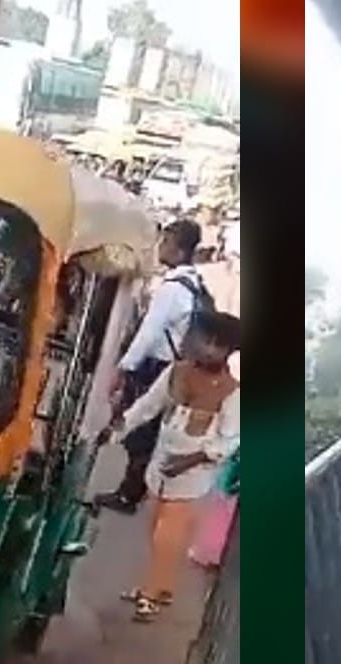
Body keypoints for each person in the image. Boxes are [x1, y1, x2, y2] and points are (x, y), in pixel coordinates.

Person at [110, 311, 242, 622]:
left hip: (194, 473)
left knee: (166, 534)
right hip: (162, 462)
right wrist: (119, 427)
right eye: (204, 340)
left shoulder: (233, 393)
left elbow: (228, 441)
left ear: (230, 351)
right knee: (155, 526)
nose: (208, 349)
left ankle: (149, 596)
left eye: (217, 345)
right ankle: (163, 586)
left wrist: (189, 462)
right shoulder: (176, 372)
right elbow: (148, 406)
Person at [94, 219, 211, 514]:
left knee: (141, 430)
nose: (161, 247)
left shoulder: (172, 289)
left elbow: (150, 332)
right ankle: (134, 490)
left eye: (166, 242)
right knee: (150, 429)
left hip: (156, 367)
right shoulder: (194, 284)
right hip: (173, 366)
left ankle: (129, 495)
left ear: (180, 249)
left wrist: (124, 367)